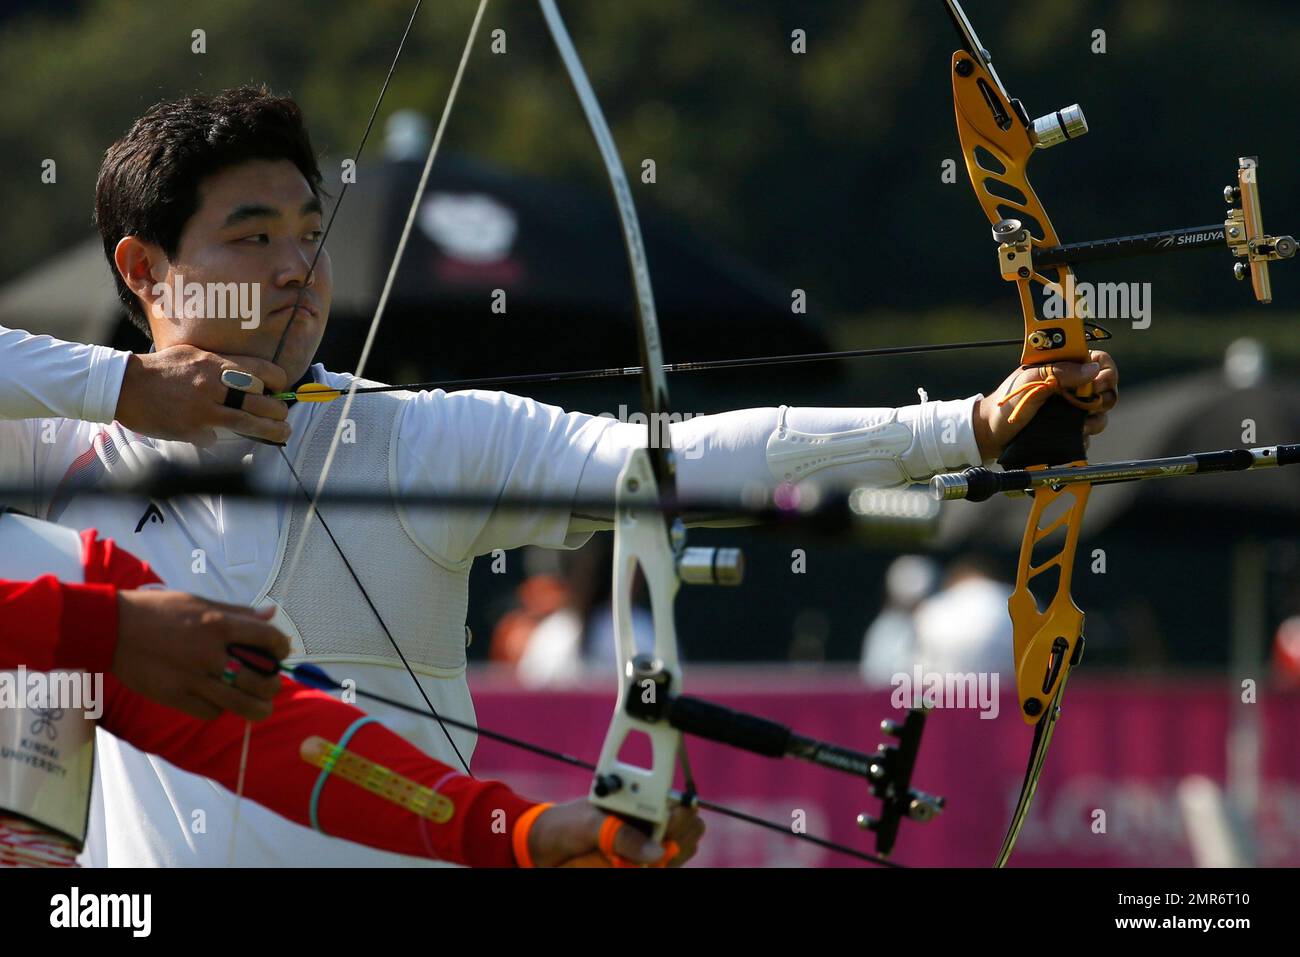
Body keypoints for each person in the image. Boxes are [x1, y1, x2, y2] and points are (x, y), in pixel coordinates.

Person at [0, 85, 1117, 866]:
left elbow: (668, 460)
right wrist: (121, 389)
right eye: (252, 237)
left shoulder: (422, 439)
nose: (298, 269)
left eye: (309, 230)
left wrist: (966, 429)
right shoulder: (58, 454)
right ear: (145, 271)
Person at [0, 509, 701, 867]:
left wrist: (515, 829)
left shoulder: (57, 566)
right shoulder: (87, 605)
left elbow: (280, 737)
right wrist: (97, 625)